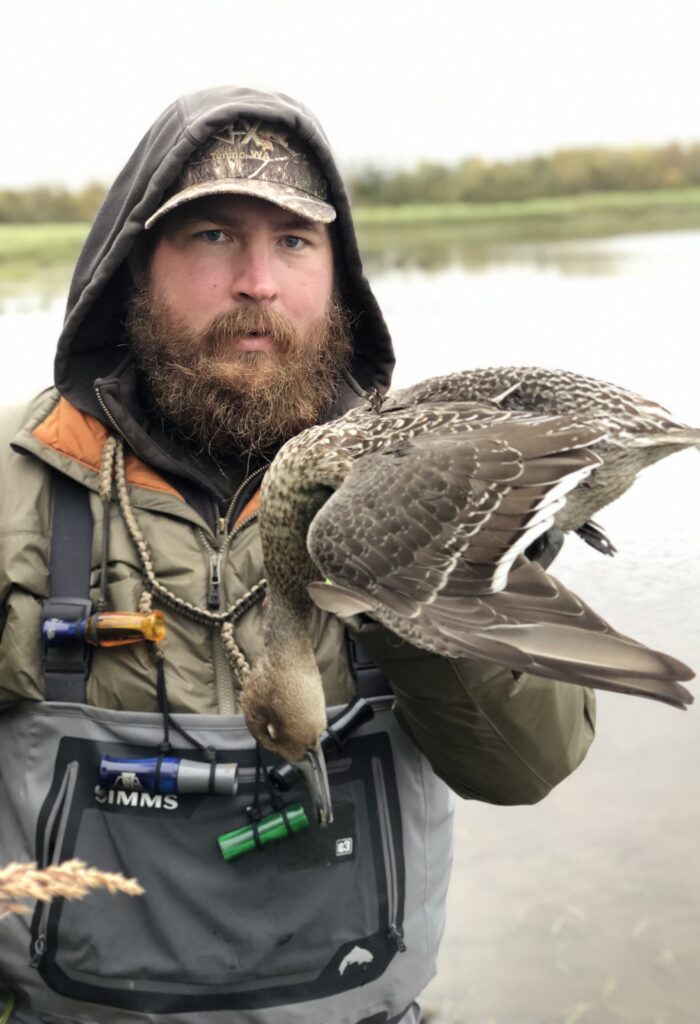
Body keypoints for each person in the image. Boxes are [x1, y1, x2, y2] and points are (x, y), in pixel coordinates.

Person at [0, 86, 595, 1024]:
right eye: (211, 236)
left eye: (293, 240)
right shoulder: (16, 484)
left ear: (339, 275)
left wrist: (410, 576)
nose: (258, 283)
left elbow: (527, 768)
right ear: (133, 267)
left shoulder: (426, 473)